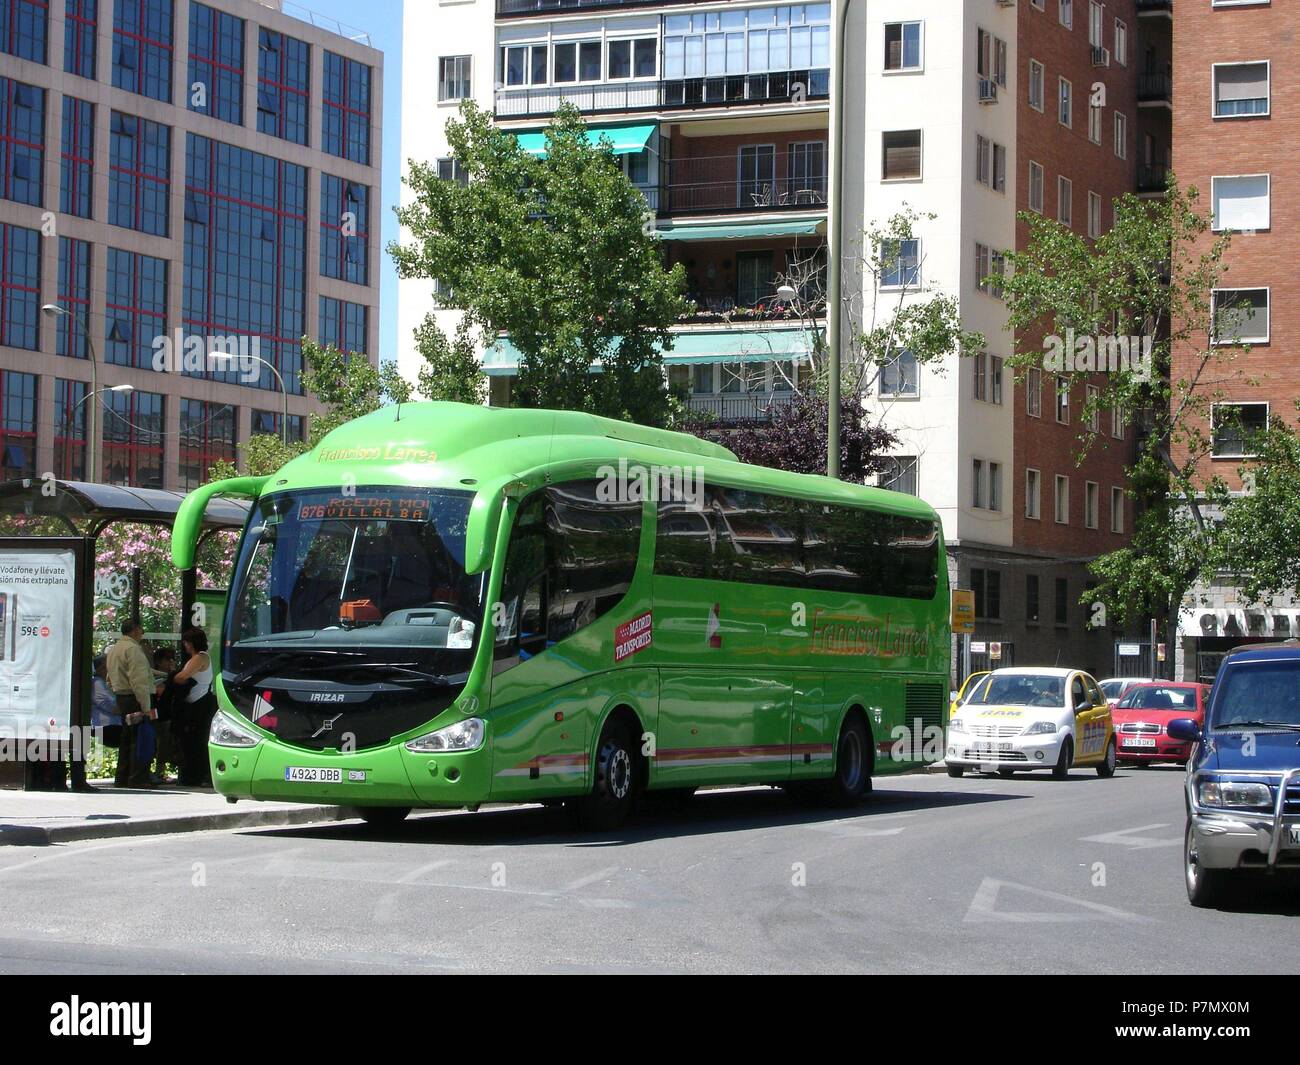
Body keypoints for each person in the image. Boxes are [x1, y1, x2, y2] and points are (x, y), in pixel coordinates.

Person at [106, 619, 161, 789]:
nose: (142, 633)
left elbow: (109, 678)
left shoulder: (115, 649)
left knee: (126, 738)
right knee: (140, 738)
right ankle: (138, 777)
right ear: (135, 630)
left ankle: (121, 777)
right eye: (141, 629)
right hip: (135, 699)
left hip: (122, 697)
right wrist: (145, 706)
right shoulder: (133, 649)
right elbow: (139, 681)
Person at [174, 628, 216, 787]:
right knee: (193, 740)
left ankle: (197, 774)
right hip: (197, 702)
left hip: (200, 704)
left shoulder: (200, 657)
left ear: (191, 643)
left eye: (186, 642)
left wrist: (174, 676)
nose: (184, 645)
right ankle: (195, 773)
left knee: (195, 740)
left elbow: (182, 676)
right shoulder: (199, 657)